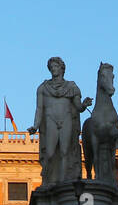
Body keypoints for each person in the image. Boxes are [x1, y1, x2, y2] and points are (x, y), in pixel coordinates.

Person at [28, 57, 92, 185]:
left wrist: (84, 105)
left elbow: (78, 107)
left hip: (66, 119)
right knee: (50, 153)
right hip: (50, 119)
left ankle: (63, 182)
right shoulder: (43, 88)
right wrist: (35, 125)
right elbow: (39, 108)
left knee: (65, 152)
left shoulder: (72, 87)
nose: (53, 69)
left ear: (62, 68)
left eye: (55, 66)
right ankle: (48, 181)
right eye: (51, 67)